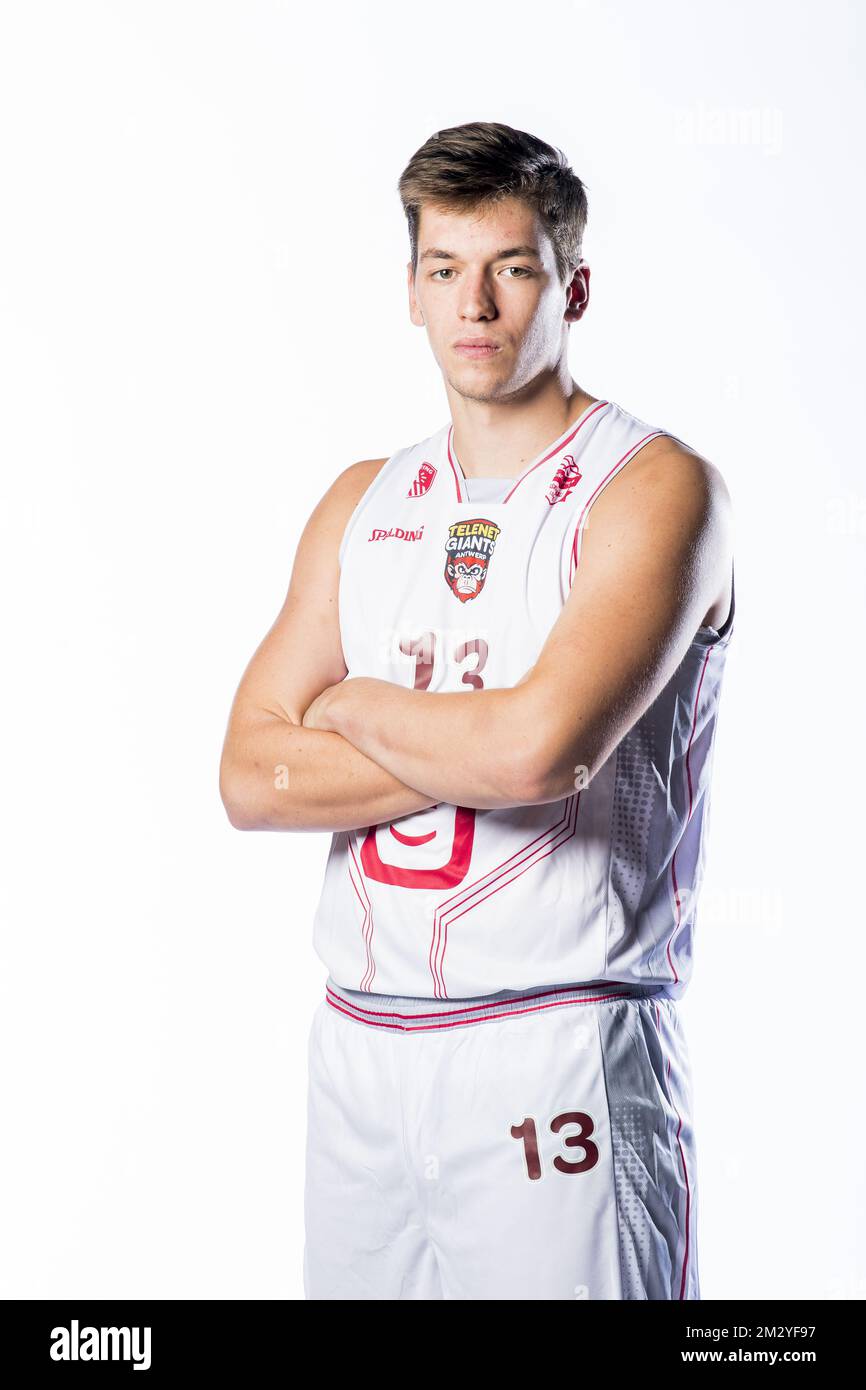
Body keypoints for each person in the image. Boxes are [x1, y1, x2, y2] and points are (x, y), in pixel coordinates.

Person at [219, 121, 735, 1301]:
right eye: (445, 269)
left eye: (511, 266)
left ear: (574, 284)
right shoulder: (364, 498)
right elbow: (252, 777)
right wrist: (476, 742)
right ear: (409, 290)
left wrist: (347, 706)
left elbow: (538, 752)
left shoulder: (654, 487)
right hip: (360, 1049)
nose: (477, 304)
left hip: (553, 1045)